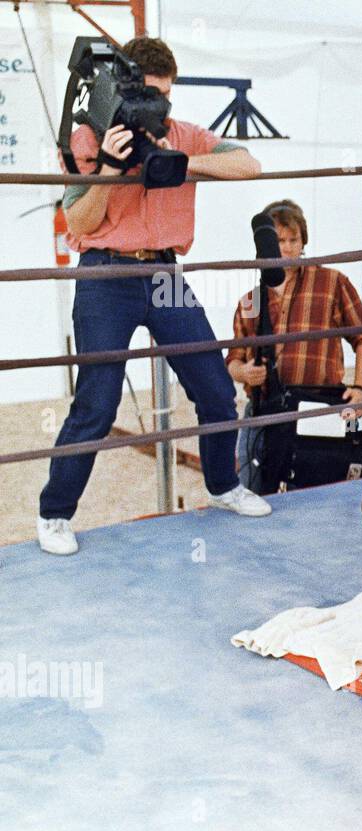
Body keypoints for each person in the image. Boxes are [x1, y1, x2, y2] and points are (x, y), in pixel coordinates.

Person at [37, 36, 271, 556]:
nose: (156, 106)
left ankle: (223, 486)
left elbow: (249, 164)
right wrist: (113, 171)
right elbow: (79, 221)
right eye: (147, 93)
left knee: (215, 389)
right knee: (96, 404)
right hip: (106, 275)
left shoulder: (181, 134)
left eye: (164, 95)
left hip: (163, 272)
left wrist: (179, 160)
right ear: (121, 89)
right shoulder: (86, 138)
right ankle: (54, 514)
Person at [226, 199, 362, 492]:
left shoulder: (332, 282)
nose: (286, 247)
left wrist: (360, 389)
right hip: (263, 412)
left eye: (293, 239)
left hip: (319, 407)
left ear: (303, 240)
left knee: (323, 489)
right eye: (278, 240)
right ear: (264, 244)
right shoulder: (250, 300)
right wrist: (244, 372)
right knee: (251, 491)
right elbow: (232, 360)